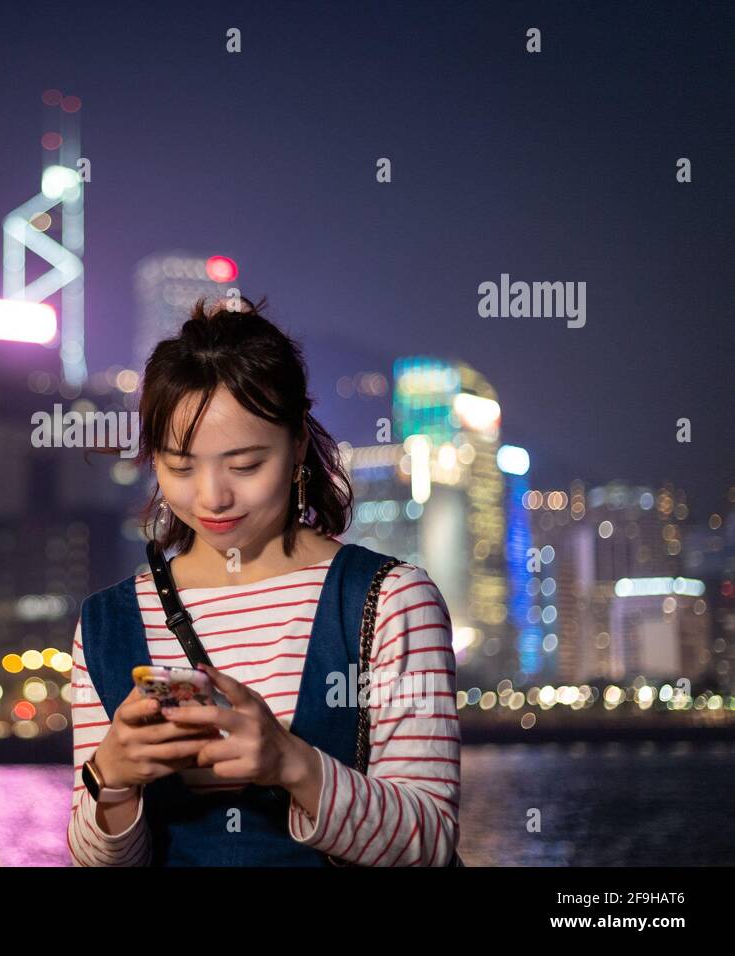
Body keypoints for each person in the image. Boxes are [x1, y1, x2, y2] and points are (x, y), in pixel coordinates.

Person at [67, 295, 461, 866]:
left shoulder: (390, 599)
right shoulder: (105, 624)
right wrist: (113, 780)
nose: (211, 497)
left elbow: (430, 841)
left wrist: (290, 763)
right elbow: (94, 860)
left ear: (298, 443)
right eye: (180, 466)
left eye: (246, 465)